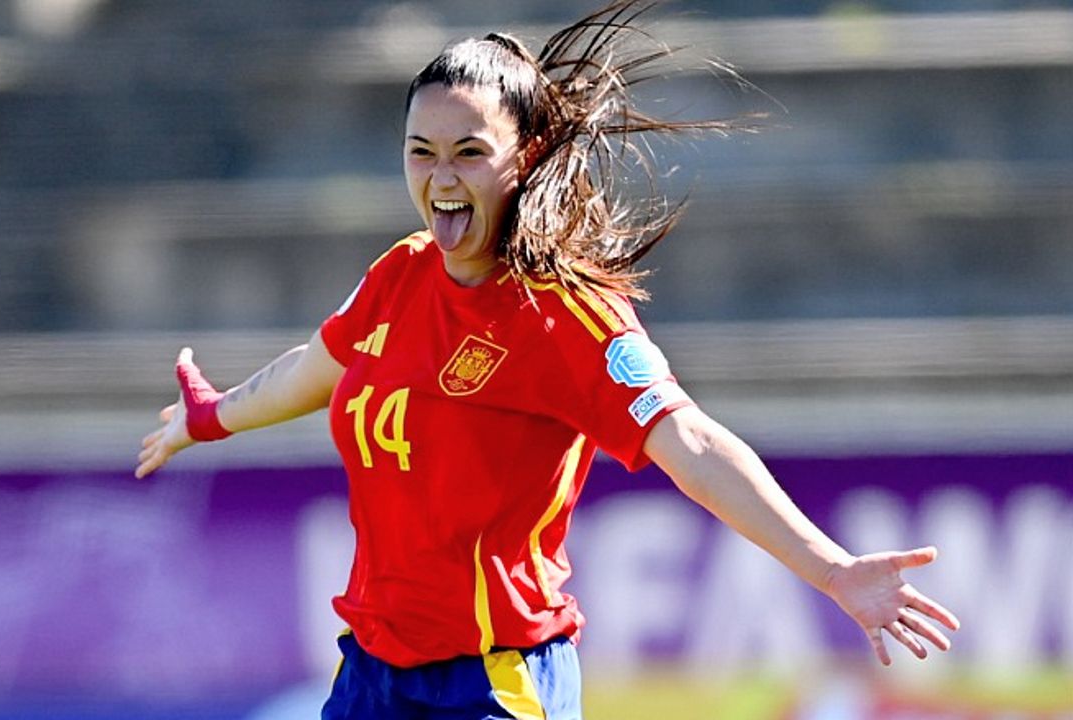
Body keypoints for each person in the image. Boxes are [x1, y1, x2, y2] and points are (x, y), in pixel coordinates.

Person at [136, 2, 960, 718]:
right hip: (373, 676)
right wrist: (210, 417)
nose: (440, 176)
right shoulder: (402, 273)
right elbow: (316, 368)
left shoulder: (564, 314)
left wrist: (832, 569)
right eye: (421, 151)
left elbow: (695, 445)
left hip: (493, 683)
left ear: (523, 157)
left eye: (469, 151)